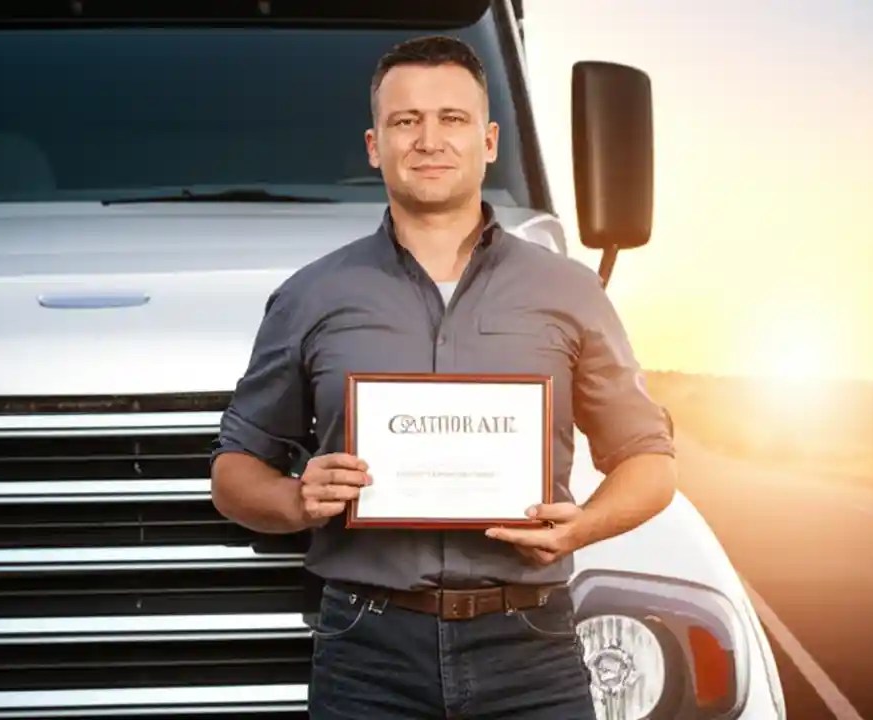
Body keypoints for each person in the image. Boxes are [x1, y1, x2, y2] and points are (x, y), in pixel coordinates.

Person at [210, 34, 677, 719]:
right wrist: (295, 500)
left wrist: (584, 526)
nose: (430, 139)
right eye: (406, 121)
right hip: (365, 650)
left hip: (531, 647)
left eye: (452, 119)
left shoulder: (570, 291)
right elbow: (233, 474)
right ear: (375, 146)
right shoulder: (310, 296)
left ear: (489, 141)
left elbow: (650, 462)